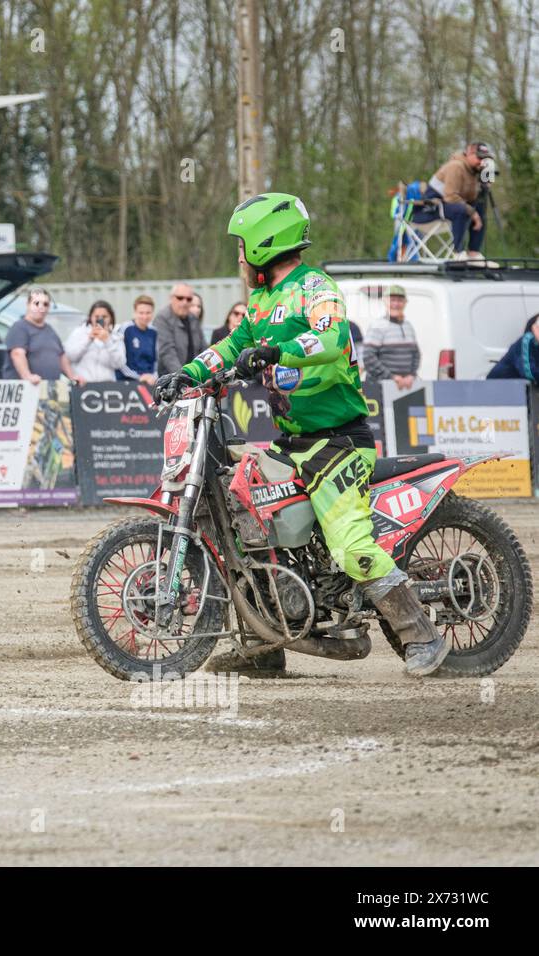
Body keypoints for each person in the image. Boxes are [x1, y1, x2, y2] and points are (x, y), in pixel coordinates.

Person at [157, 191, 448, 677]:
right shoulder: (262, 300)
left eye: (241, 246)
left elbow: (332, 338)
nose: (239, 257)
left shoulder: (316, 288)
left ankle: (422, 635)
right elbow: (233, 346)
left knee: (351, 545)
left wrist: (277, 354)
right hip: (288, 443)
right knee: (238, 516)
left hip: (338, 442)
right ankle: (264, 645)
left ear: (264, 243)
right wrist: (186, 375)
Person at [417, 141, 492, 258]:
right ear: (468, 153)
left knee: (480, 208)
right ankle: (458, 252)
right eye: (479, 158)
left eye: (485, 159)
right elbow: (450, 196)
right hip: (429, 209)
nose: (482, 162)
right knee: (462, 210)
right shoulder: (456, 166)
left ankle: (474, 252)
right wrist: (472, 213)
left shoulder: (474, 172)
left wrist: (485, 183)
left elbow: (472, 199)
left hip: (447, 207)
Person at [2, 287, 84, 385]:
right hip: (25, 390)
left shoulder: (50, 330)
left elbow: (61, 356)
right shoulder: (19, 327)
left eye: (45, 304)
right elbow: (17, 354)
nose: (41, 307)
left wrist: (72, 376)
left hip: (48, 390)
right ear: (28, 305)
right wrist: (27, 376)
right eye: (36, 303)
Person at [364, 285, 420, 390]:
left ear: (405, 303)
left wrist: (411, 375)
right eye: (392, 300)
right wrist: (391, 377)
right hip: (380, 387)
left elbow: (416, 354)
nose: (396, 304)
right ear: (385, 302)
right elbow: (368, 357)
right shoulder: (378, 325)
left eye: (400, 300)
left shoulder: (408, 326)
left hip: (405, 387)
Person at [64, 299, 127, 382]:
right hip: (83, 385)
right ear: (90, 317)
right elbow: (70, 357)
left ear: (111, 318)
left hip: (107, 385)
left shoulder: (116, 337)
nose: (100, 320)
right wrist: (88, 340)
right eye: (96, 317)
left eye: (104, 317)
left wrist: (108, 341)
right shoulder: (79, 333)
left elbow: (119, 364)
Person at [154, 282, 206, 376]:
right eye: (180, 298)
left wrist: (206, 372)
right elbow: (167, 352)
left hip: (195, 378)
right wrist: (182, 376)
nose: (184, 302)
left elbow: (203, 349)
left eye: (189, 299)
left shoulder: (193, 319)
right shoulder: (162, 318)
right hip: (170, 380)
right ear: (171, 298)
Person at [487, 313, 539, 381]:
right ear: (535, 328)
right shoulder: (527, 340)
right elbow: (528, 372)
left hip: (517, 386)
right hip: (498, 384)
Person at [119, 295, 158, 384]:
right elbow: (120, 361)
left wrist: (153, 376)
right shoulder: (125, 329)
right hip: (128, 382)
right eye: (141, 313)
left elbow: (157, 360)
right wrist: (139, 377)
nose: (144, 316)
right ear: (135, 313)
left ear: (152, 313)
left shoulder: (154, 332)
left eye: (148, 313)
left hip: (150, 382)